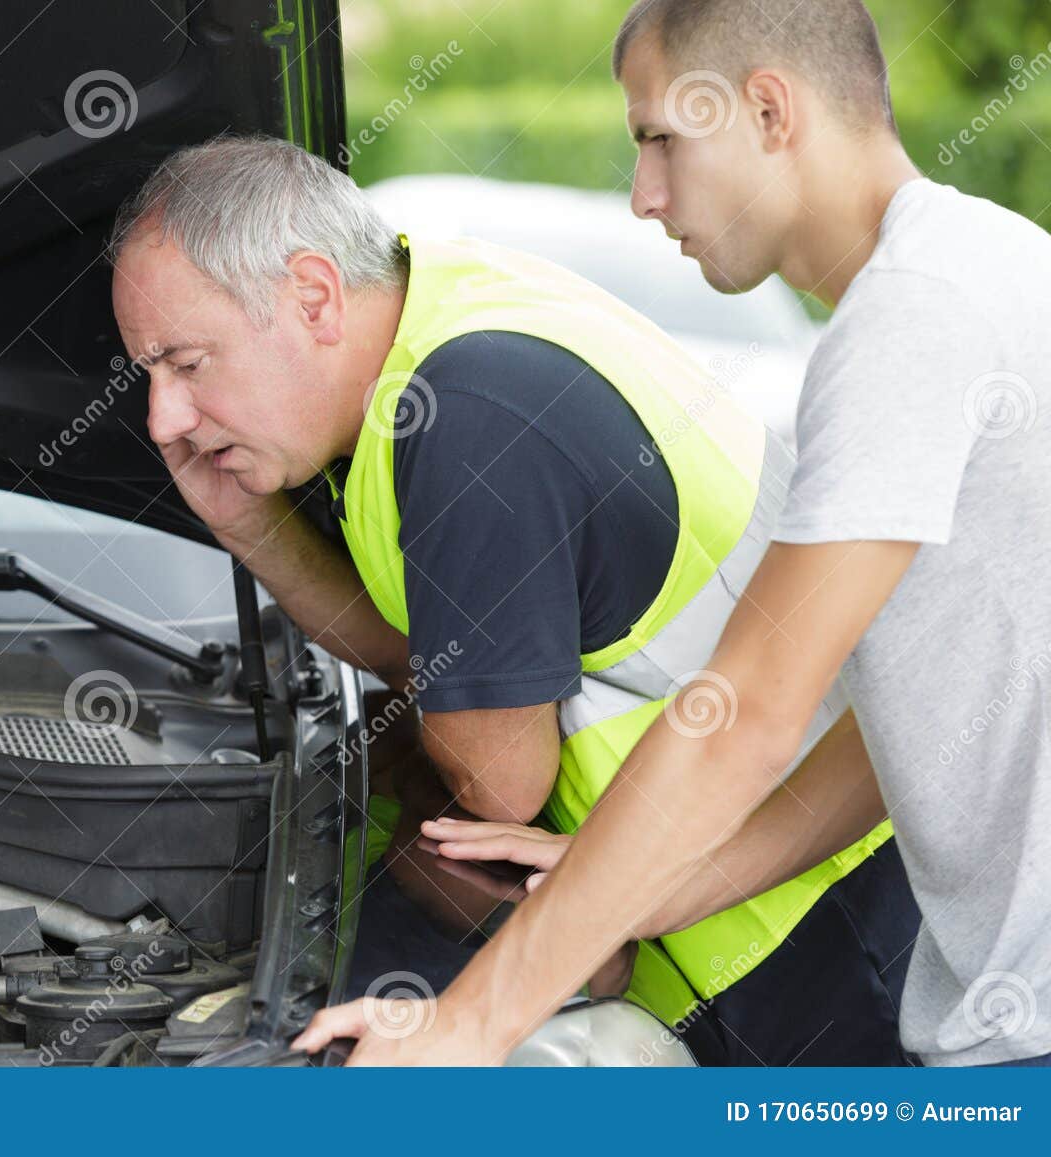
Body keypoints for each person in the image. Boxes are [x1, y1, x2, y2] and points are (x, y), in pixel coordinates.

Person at [296, 0, 1051, 1068]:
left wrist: (466, 1023)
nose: (645, 196)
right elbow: (898, 734)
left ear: (768, 109)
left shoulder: (911, 320)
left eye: (659, 139)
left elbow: (740, 711)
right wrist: (652, 887)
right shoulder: (987, 263)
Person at [108, 132, 916, 1065]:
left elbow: (499, 779)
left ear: (315, 295)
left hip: (822, 933)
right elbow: (443, 667)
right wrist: (247, 524)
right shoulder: (441, 322)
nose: (162, 417)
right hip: (723, 904)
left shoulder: (469, 418)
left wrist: (416, 750)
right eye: (150, 376)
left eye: (188, 364)